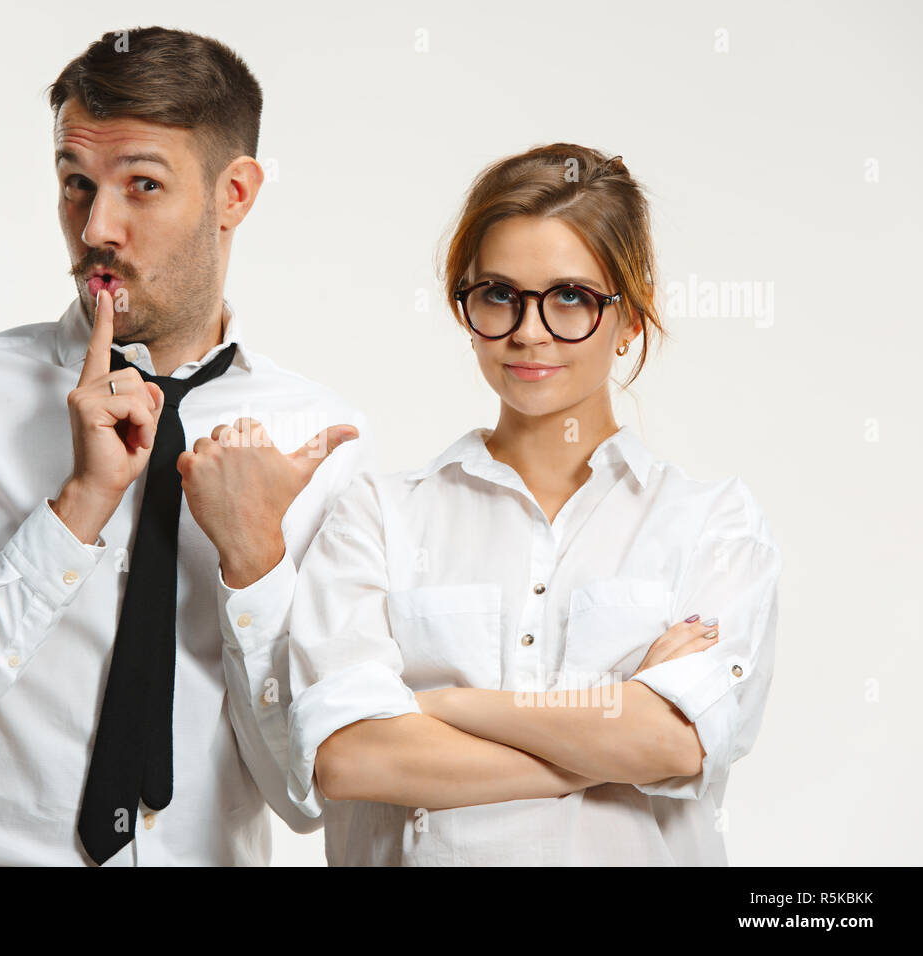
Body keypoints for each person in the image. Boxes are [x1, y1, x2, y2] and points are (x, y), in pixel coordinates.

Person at [0, 26, 369, 866]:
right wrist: (77, 507)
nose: (97, 227)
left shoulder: (317, 436)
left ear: (234, 193)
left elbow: (306, 793)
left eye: (144, 185)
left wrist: (256, 560)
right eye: (75, 184)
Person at [278, 144, 782, 865]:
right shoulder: (379, 516)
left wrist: (441, 707)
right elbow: (353, 760)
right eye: (499, 294)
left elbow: (673, 740)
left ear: (631, 316)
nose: (529, 330)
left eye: (571, 296)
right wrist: (619, 733)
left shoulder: (714, 523)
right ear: (466, 302)